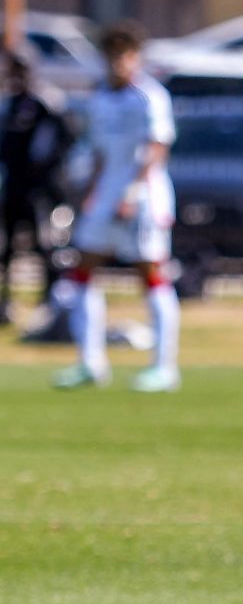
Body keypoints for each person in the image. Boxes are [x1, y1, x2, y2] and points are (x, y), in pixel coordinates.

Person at [52, 24, 181, 392]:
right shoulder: (101, 97)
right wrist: (92, 191)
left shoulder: (149, 96)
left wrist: (136, 190)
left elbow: (157, 146)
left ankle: (164, 367)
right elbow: (98, 150)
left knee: (151, 273)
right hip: (106, 195)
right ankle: (90, 362)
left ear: (136, 58)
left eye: (125, 55)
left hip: (143, 196)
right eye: (112, 55)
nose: (118, 63)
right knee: (81, 271)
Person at [0, 51, 72, 326]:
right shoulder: (11, 103)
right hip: (15, 184)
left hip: (40, 189)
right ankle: (6, 302)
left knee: (44, 244)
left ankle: (49, 302)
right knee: (7, 247)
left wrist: (45, 168)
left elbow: (65, 137)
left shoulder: (45, 100)